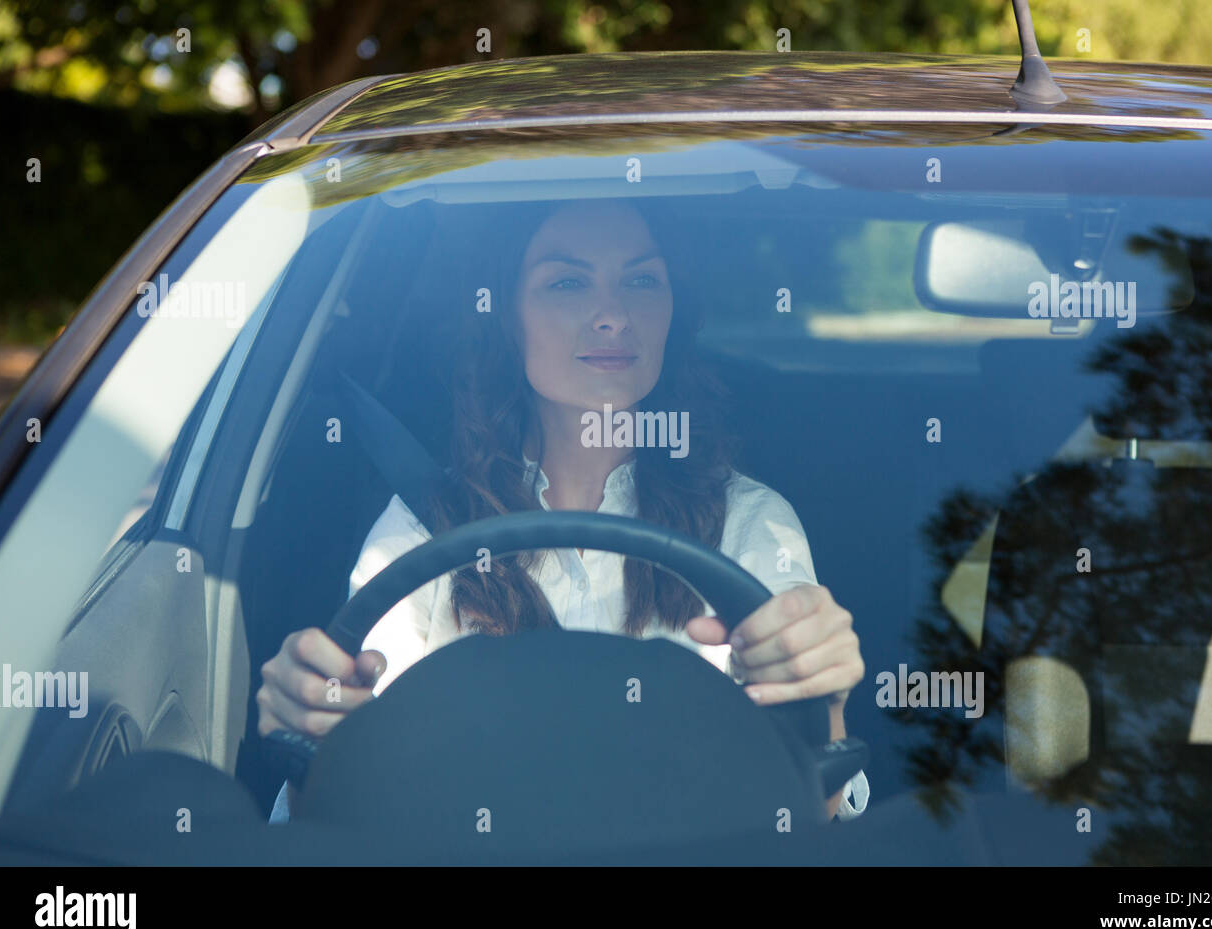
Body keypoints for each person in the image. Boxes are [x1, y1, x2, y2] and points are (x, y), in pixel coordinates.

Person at [257, 198, 867, 823]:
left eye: (642, 280)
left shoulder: (748, 520)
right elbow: (352, 806)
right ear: (506, 316)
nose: (613, 315)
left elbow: (809, 820)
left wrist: (823, 698)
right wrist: (314, 735)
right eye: (568, 282)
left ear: (671, 312)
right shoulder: (424, 525)